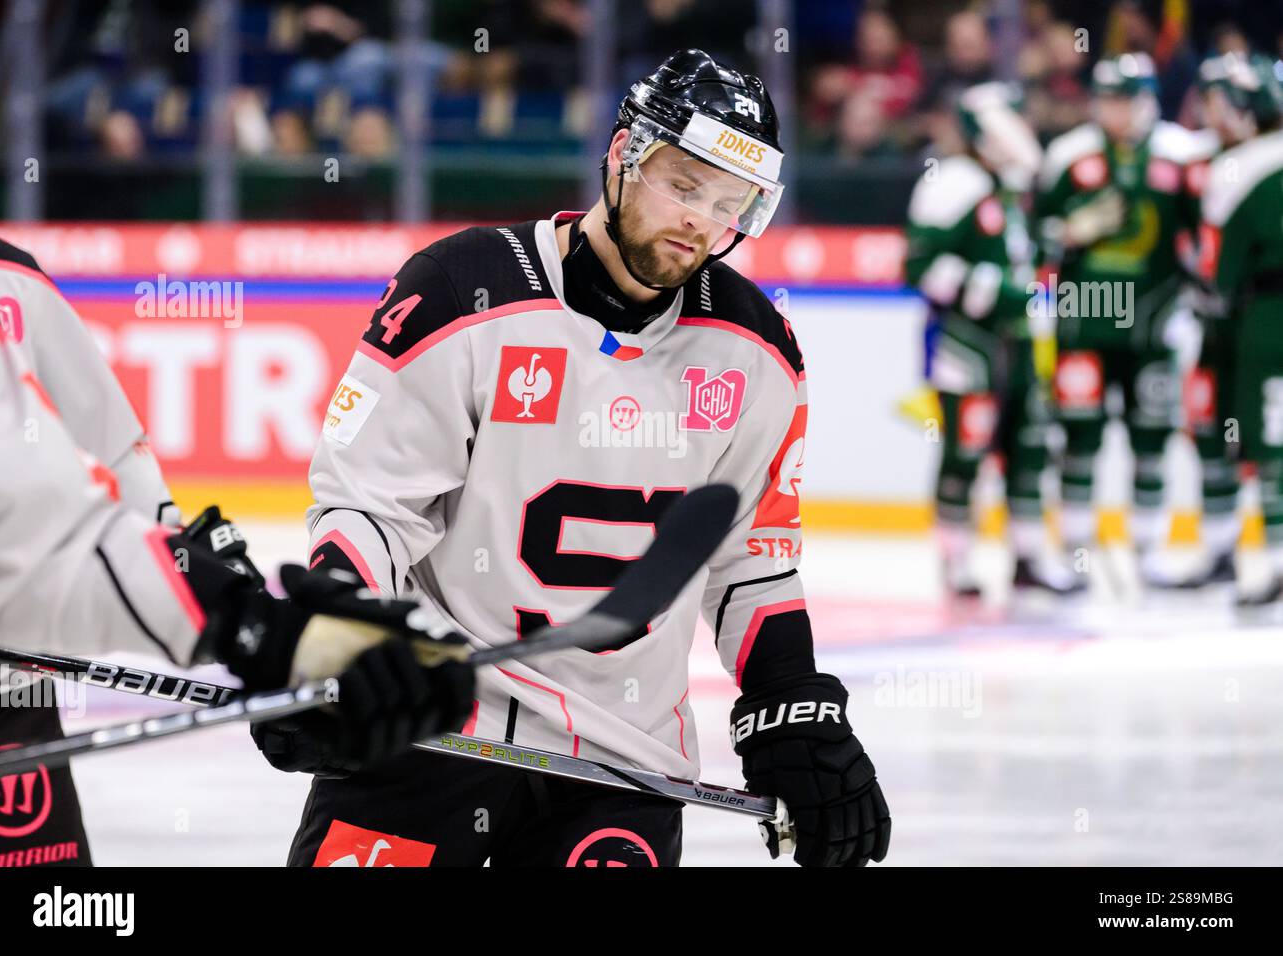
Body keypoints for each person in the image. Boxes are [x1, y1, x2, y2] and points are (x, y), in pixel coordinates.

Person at [270, 48, 890, 868]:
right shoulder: (462, 289)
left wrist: (791, 702)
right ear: (624, 152)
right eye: (683, 182)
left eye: (730, 202)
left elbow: (749, 562)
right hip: (433, 726)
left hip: (621, 761)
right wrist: (342, 634)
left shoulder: (757, 352)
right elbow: (371, 508)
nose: (701, 221)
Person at [0, 238, 472, 867]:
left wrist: (191, 562)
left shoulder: (11, 280)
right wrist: (253, 627)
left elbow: (105, 459)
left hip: (7, 703)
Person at [1035, 53, 1213, 585]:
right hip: (1083, 324)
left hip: (1154, 325)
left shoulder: (1184, 154)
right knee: (1079, 438)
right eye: (1110, 97)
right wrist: (1069, 231)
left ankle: (1148, 550)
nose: (1119, 109)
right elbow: (1028, 237)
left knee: (1152, 438)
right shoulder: (1070, 155)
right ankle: (1075, 554)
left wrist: (1194, 303)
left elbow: (1207, 238)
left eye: (1130, 96)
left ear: (1150, 97)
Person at [906, 82, 1081, 598]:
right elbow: (920, 266)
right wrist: (999, 293)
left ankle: (1027, 558)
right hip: (969, 342)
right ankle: (956, 564)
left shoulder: (1017, 187)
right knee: (964, 450)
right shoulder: (953, 182)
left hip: (1023, 341)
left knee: (1031, 446)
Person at [1198, 52, 1283, 604]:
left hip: (1265, 319)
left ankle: (1275, 564)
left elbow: (1217, 275)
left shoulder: (1235, 169)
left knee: (1271, 441)